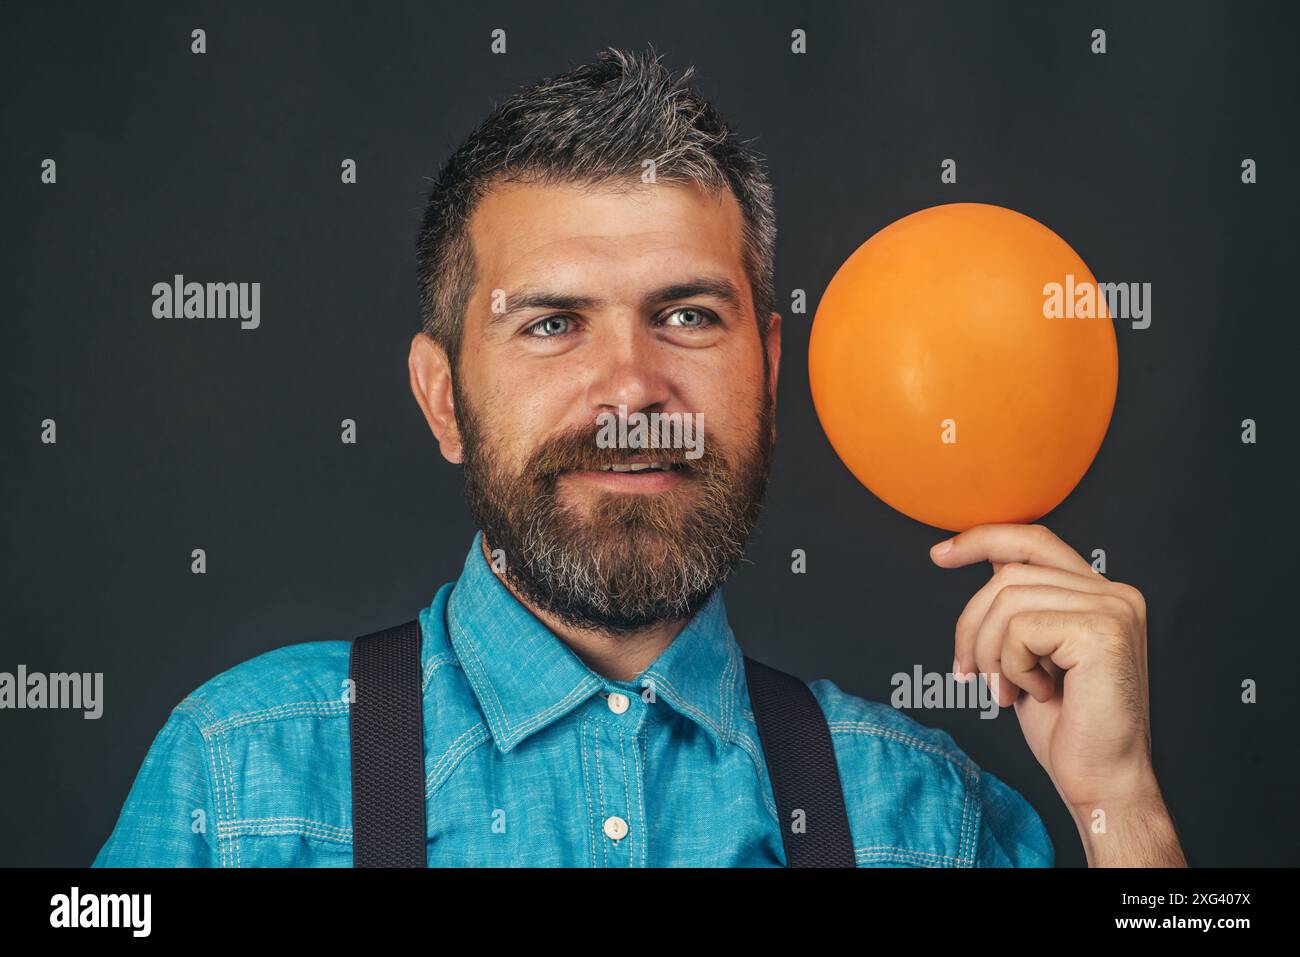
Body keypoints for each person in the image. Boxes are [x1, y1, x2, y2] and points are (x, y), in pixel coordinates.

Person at [94, 47, 1184, 868]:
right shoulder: (239, 779)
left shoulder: (923, 816)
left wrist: (1119, 800)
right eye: (553, 322)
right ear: (442, 398)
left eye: (688, 315)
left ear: (766, 368)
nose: (629, 388)